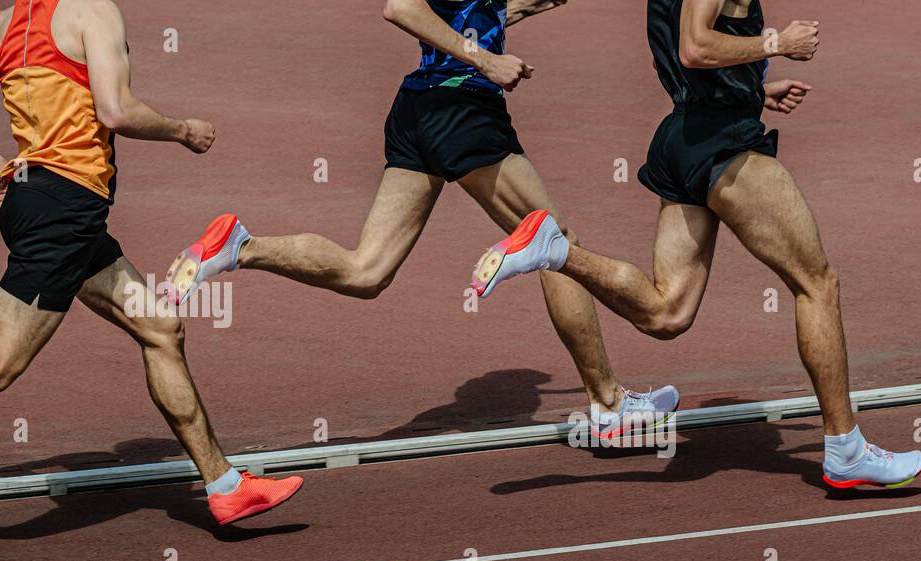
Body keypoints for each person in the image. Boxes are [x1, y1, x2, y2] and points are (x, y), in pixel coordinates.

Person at [168, 0, 677, 443]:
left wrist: (518, 8)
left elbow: (459, 12)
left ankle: (241, 247)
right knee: (556, 244)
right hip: (463, 107)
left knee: (366, 271)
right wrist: (487, 59)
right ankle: (609, 407)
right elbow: (402, 7)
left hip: (419, 109)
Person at [471, 0, 921, 491]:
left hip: (686, 135)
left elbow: (692, 48)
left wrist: (753, 89)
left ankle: (555, 252)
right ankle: (846, 451)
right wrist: (778, 43)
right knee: (817, 283)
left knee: (667, 313)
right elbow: (694, 46)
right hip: (723, 144)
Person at [0, 0, 301, 524]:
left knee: (161, 329)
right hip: (65, 212)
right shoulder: (92, 13)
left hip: (42, 205)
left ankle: (225, 485)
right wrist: (184, 130)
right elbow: (117, 111)